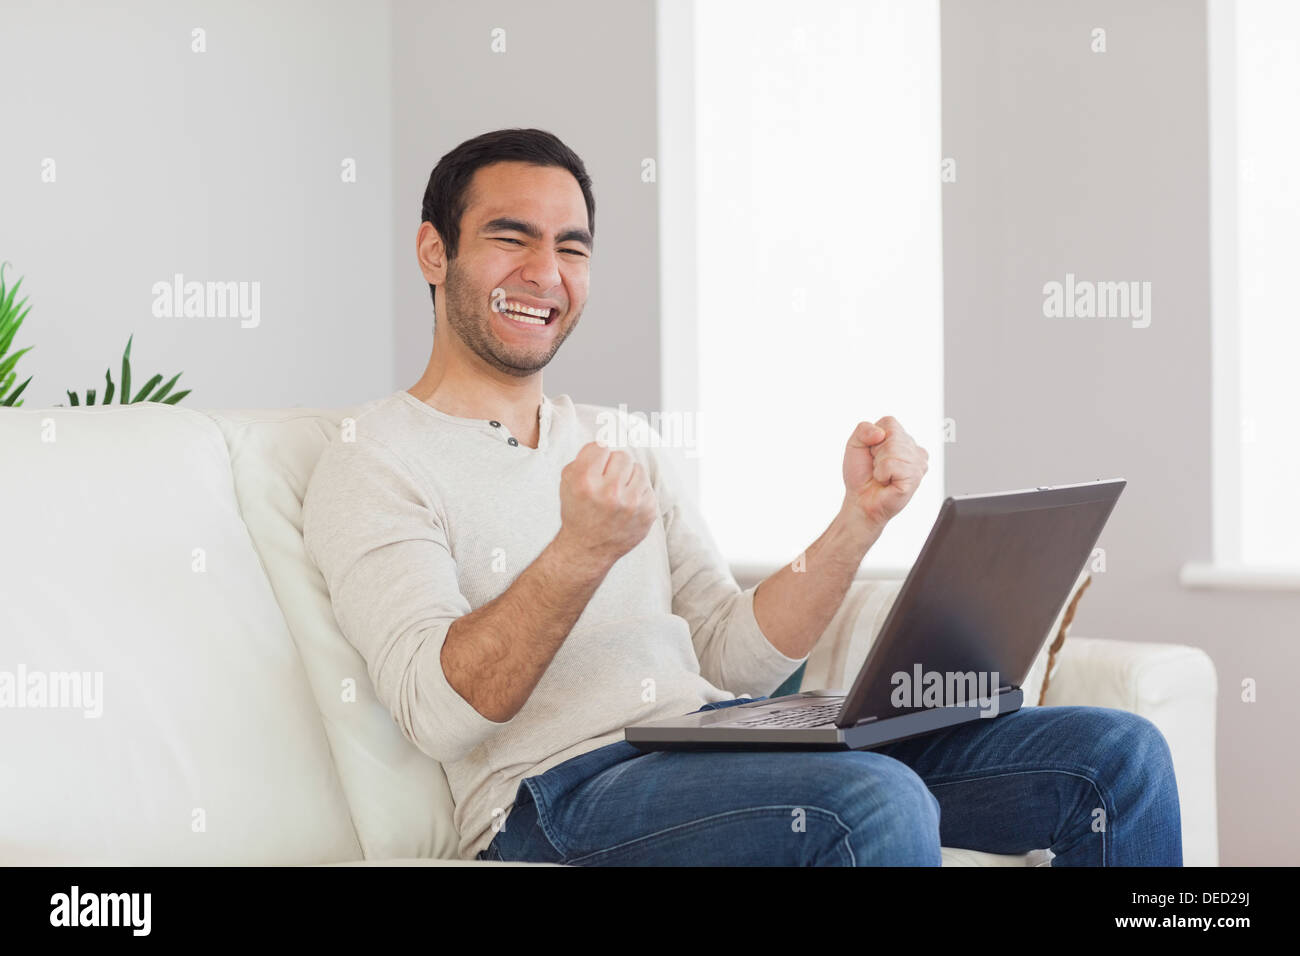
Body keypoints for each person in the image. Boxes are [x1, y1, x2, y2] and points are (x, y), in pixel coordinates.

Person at [301, 127, 1182, 866]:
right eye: (510, 236)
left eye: (572, 247)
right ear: (434, 250)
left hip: (709, 738)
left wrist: (857, 522)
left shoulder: (620, 439)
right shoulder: (372, 457)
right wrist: (578, 554)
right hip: (554, 799)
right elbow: (439, 715)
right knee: (867, 802)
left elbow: (730, 655)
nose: (546, 270)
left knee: (1117, 757)